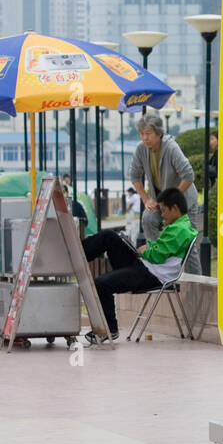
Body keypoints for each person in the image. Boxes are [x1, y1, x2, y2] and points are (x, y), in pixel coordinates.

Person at [79, 187, 196, 343]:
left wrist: (143, 250)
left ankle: (109, 329)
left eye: (163, 210)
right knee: (110, 237)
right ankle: (77, 255)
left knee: (101, 284)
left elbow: (156, 256)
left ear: (174, 208)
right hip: (143, 267)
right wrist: (146, 249)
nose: (162, 215)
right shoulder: (180, 227)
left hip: (151, 275)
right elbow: (161, 251)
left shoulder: (180, 230)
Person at [129, 112, 196, 242]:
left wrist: (171, 198)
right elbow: (134, 176)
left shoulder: (171, 148)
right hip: (158, 201)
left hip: (183, 200)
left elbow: (188, 175)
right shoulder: (140, 149)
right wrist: (146, 200)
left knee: (186, 245)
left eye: (148, 134)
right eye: (141, 134)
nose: (144, 138)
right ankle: (158, 254)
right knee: (148, 219)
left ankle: (179, 260)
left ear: (158, 133)